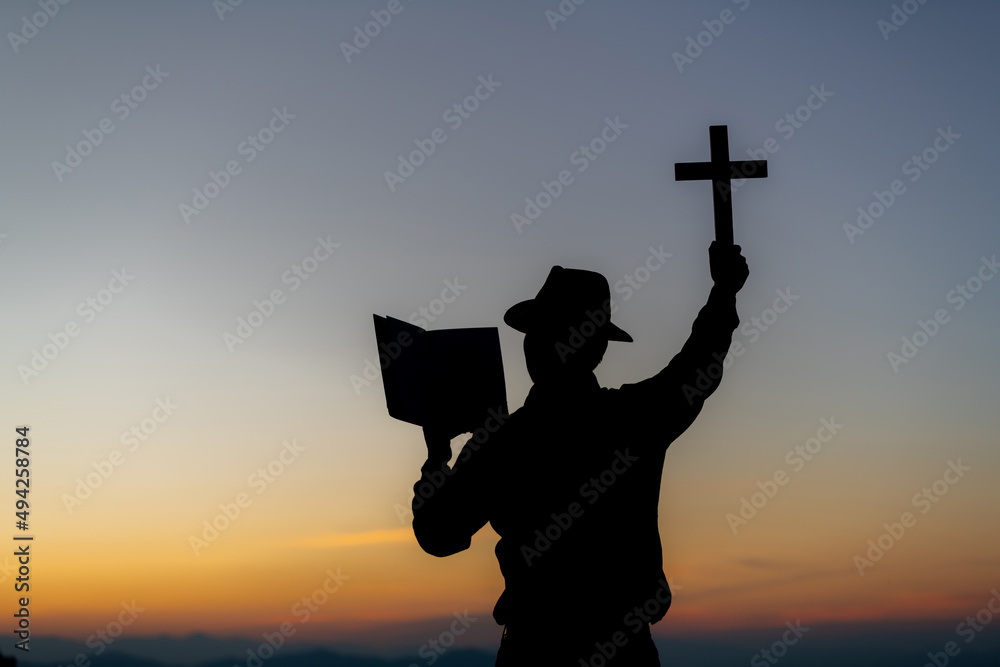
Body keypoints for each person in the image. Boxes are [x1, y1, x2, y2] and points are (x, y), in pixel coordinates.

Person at [411, 242, 748, 665]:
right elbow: (700, 364)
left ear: (534, 346)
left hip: (533, 653)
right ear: (598, 348)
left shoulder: (503, 442)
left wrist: (438, 455)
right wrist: (724, 291)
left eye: (537, 333)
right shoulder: (632, 419)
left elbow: (438, 534)